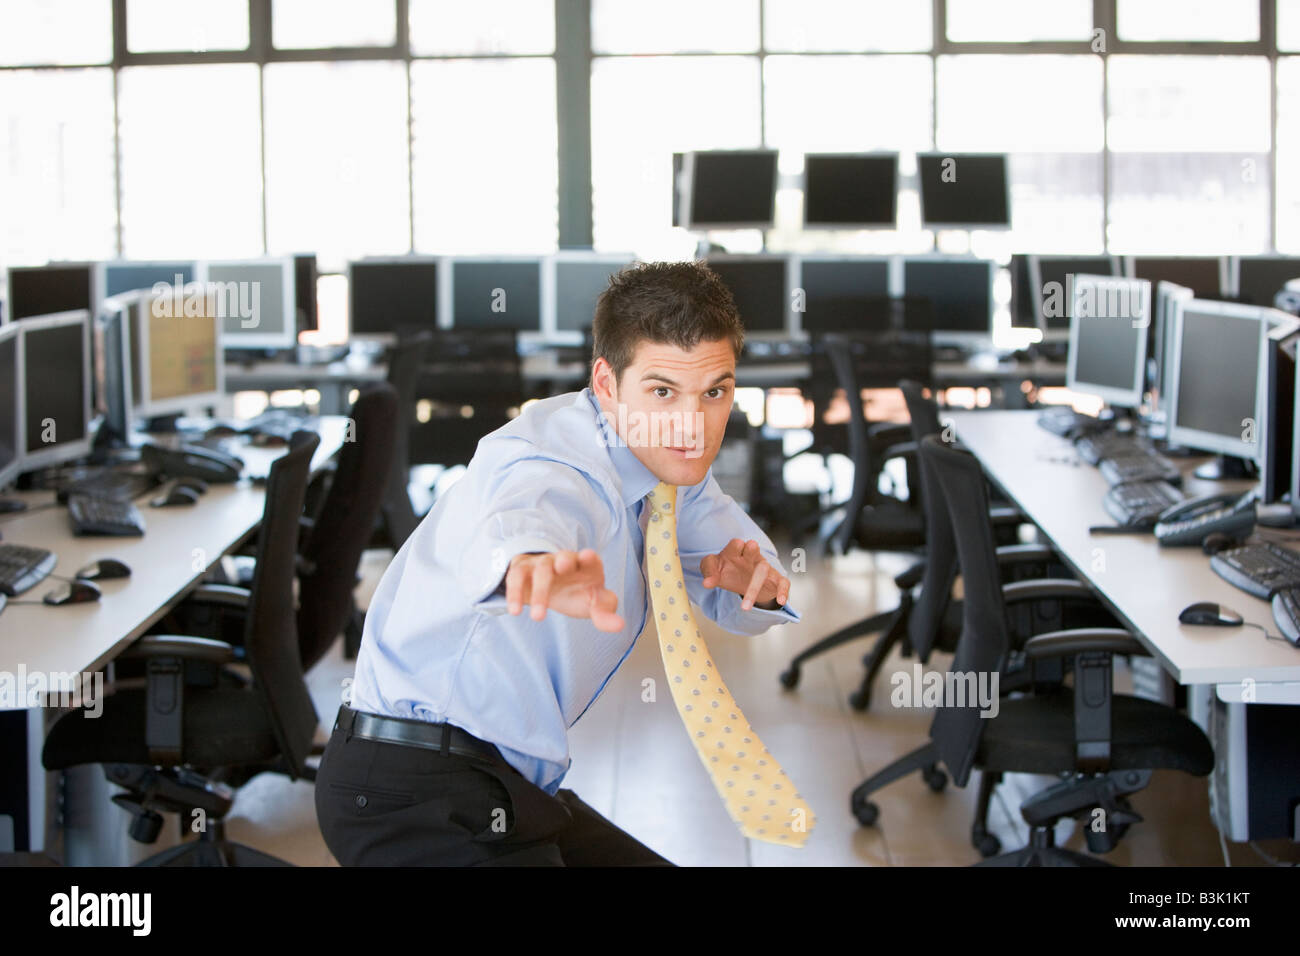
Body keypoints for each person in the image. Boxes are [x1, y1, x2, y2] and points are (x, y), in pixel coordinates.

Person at [315, 260, 800, 865]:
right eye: (661, 391)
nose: (693, 425)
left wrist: (759, 586)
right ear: (605, 383)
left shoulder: (672, 472)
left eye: (715, 392)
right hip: (409, 789)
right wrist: (533, 561)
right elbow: (523, 515)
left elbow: (748, 578)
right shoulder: (549, 457)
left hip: (510, 786)